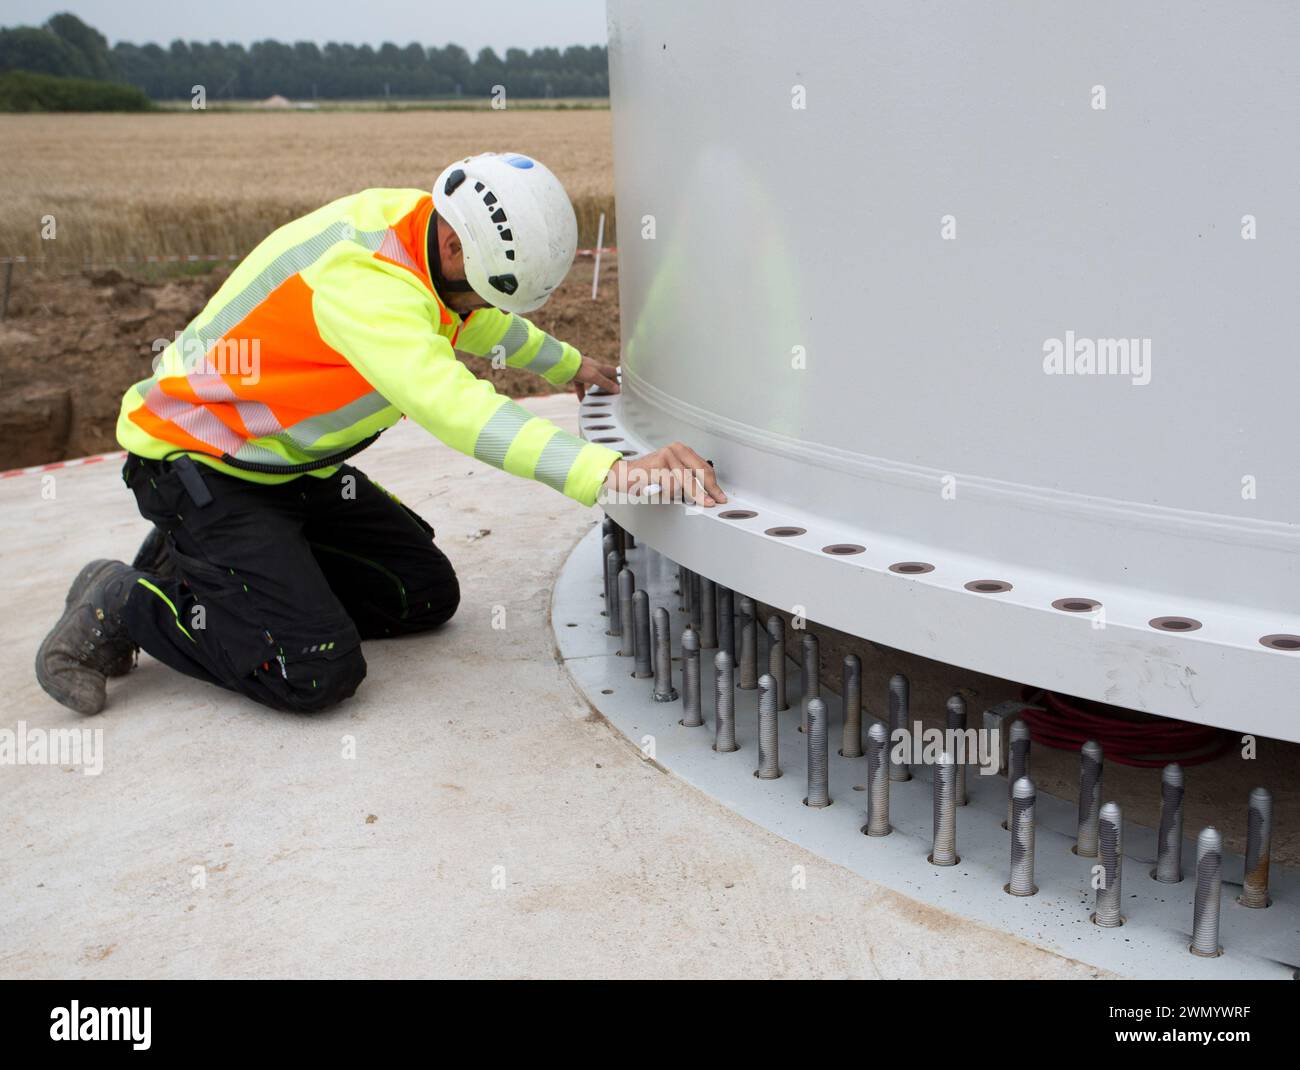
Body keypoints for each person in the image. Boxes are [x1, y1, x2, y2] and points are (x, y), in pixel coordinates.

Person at [35, 152, 726, 716]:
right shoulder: (367, 283)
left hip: (290, 471)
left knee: (421, 596)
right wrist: (610, 472)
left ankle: (213, 565)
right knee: (312, 669)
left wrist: (574, 367)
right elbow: (457, 407)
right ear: (458, 247)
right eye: (486, 289)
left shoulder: (427, 234)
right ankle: (126, 598)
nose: (486, 307)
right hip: (202, 466)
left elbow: (474, 321)